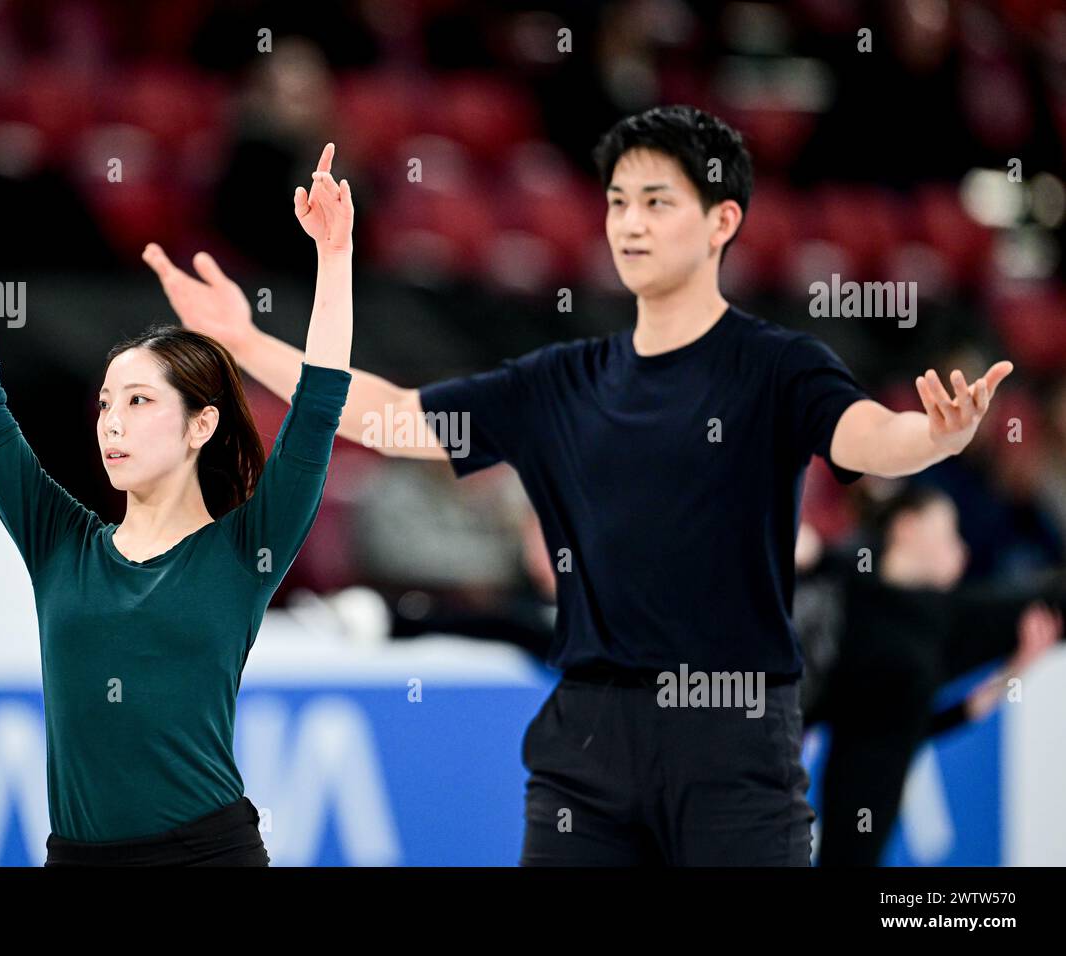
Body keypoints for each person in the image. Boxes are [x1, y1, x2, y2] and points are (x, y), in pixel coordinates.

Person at [141, 105, 1015, 866]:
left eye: (657, 203)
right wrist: (247, 345)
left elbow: (869, 436)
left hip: (734, 739)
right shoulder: (560, 383)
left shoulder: (776, 370)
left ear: (722, 223)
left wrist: (932, 437)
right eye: (617, 203)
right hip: (588, 746)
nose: (629, 224)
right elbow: (387, 417)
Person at [0, 139, 354, 865]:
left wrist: (335, 256)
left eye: (139, 401)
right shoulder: (58, 542)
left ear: (201, 424)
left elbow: (320, 404)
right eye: (107, 402)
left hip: (209, 856)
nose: (112, 420)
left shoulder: (244, 549)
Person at [793, 486, 1063, 865]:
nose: (962, 550)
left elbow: (908, 728)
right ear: (907, 528)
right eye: (949, 532)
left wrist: (1010, 677)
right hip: (745, 711)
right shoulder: (846, 569)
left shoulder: (940, 626)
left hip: (863, 756)